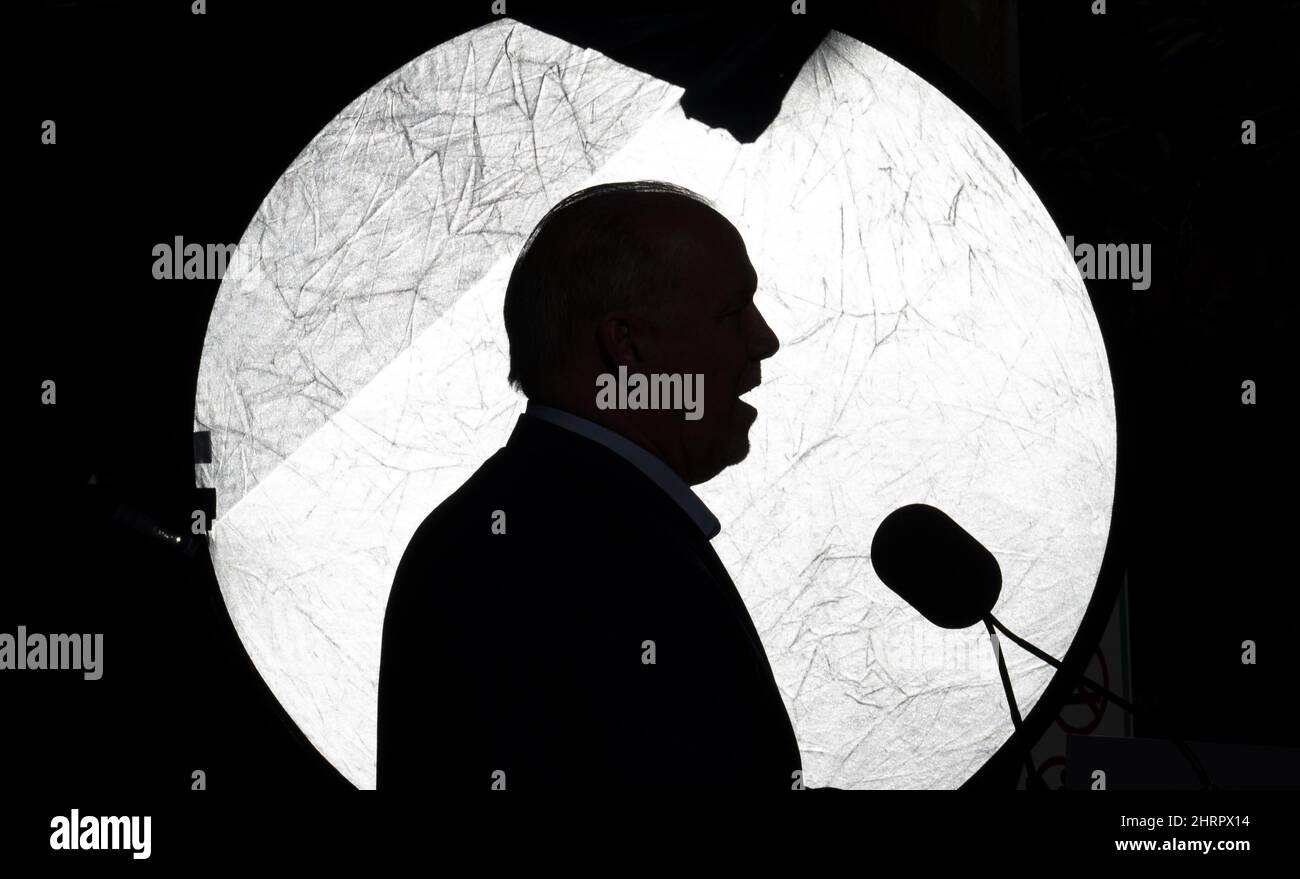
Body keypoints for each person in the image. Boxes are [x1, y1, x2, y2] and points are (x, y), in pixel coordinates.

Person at [377, 181, 797, 789]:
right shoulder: (571, 549)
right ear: (626, 345)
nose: (765, 340)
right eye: (733, 313)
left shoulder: (521, 526)